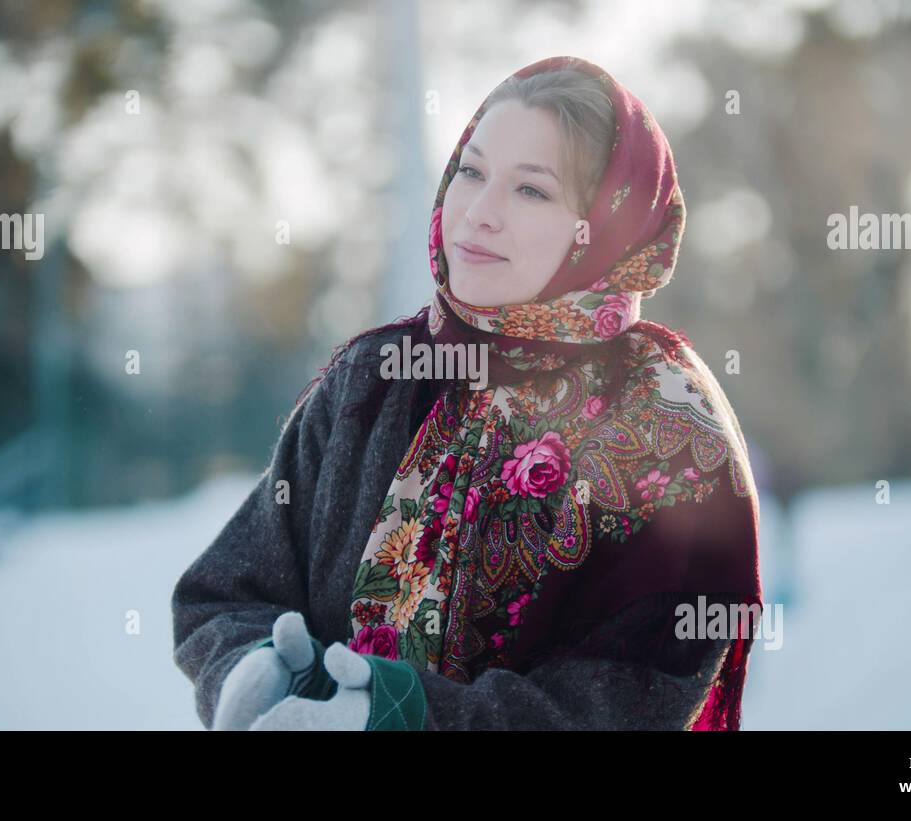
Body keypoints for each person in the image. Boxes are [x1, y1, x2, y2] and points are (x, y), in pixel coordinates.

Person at [172, 55, 763, 731]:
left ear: (605, 228)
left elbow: (633, 694)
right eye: (471, 172)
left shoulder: (666, 423)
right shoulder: (373, 379)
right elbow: (225, 588)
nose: (479, 213)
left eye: (531, 191)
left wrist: (402, 715)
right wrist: (252, 667)